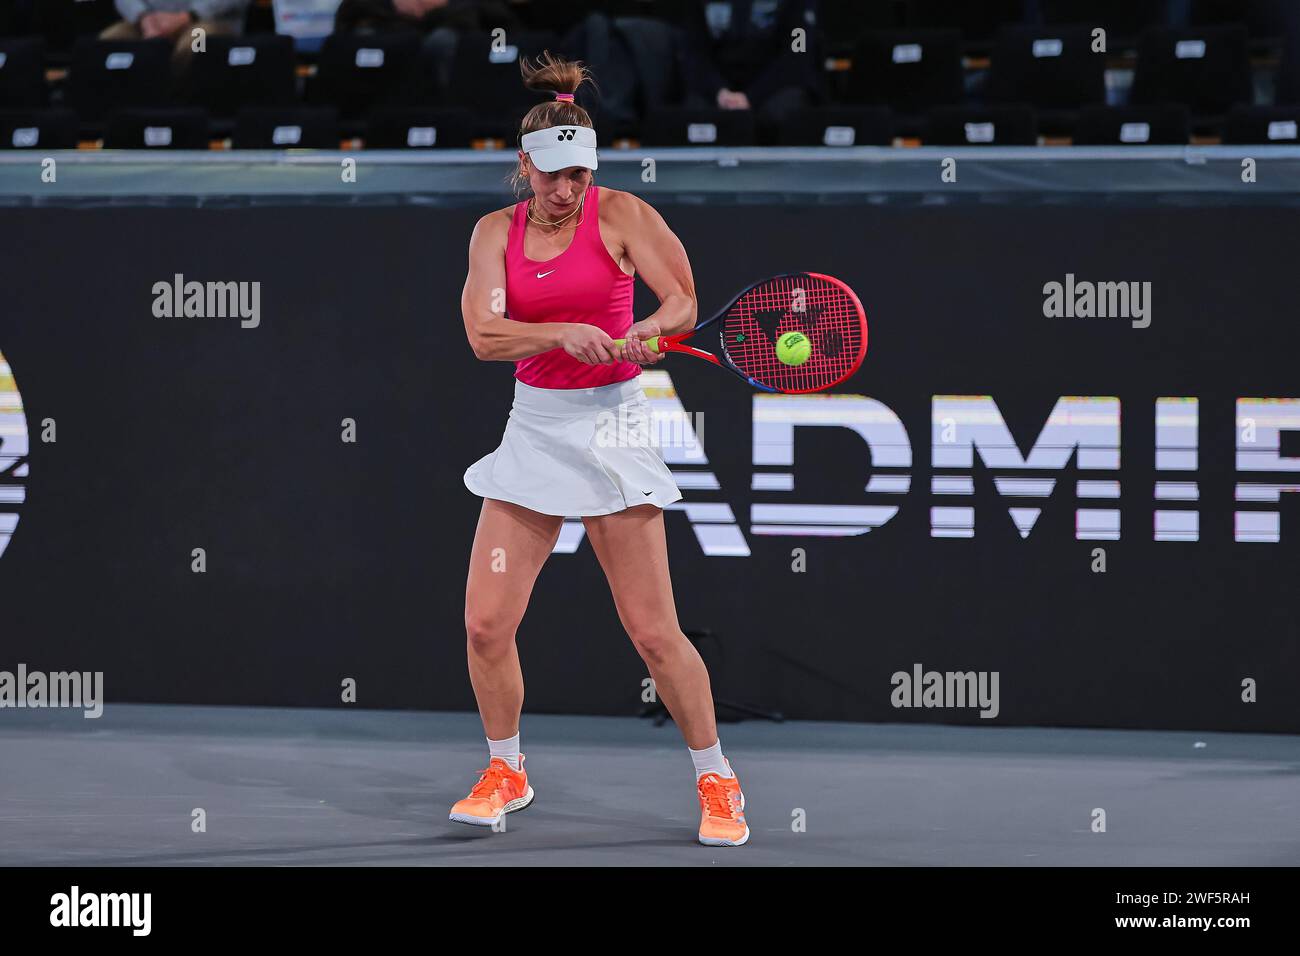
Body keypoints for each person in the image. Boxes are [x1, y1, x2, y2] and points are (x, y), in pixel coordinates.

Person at [454, 51, 749, 847]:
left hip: (615, 424)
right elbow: (484, 336)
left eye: (578, 176)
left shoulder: (621, 215)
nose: (565, 192)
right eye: (551, 178)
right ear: (524, 167)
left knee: (655, 633)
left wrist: (644, 334)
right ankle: (505, 768)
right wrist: (562, 332)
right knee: (486, 625)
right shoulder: (493, 234)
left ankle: (717, 779)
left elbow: (682, 301)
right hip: (536, 428)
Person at [101, 0, 251, 70]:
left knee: (195, 45)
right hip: (148, 21)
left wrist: (187, 16)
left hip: (205, 21)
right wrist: (143, 17)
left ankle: (178, 106)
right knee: (108, 42)